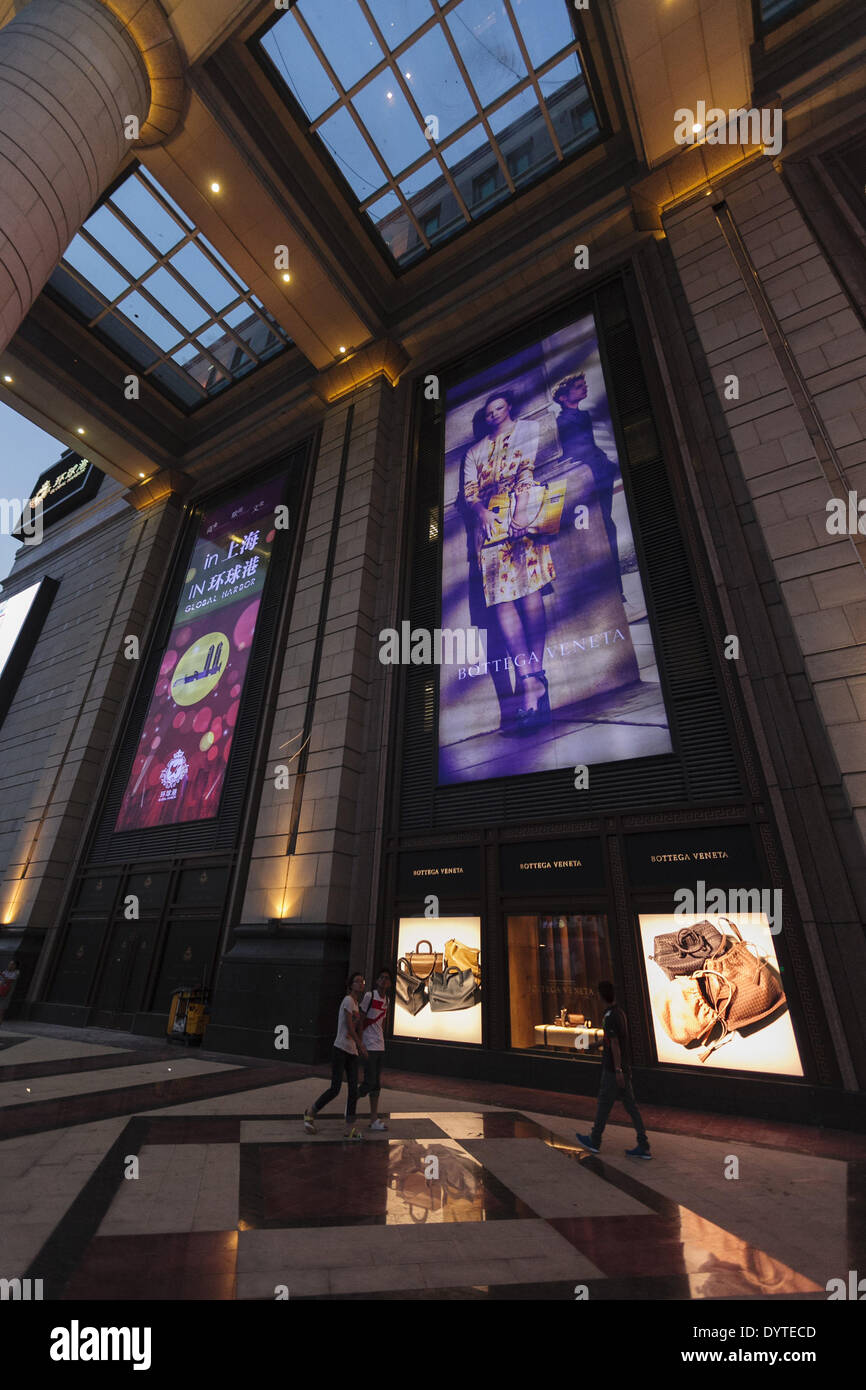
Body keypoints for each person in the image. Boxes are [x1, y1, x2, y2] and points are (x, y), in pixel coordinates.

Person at [464, 391, 555, 735]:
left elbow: (527, 470)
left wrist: (522, 510)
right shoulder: (474, 452)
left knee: (530, 592)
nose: (493, 415)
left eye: (498, 408)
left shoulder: (527, 430)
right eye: (488, 412)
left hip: (523, 513)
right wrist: (483, 512)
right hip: (489, 527)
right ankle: (527, 679)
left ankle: (537, 675)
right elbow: (470, 494)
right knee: (502, 600)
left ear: (508, 408)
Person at [553, 373, 625, 603]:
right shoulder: (562, 422)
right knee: (600, 529)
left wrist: (607, 464)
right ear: (564, 398)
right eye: (577, 386)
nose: (583, 388)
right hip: (585, 480)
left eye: (584, 384)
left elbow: (590, 446)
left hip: (600, 474)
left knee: (606, 526)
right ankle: (611, 590)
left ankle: (616, 590)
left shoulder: (581, 415)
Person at [577, 980, 651, 1158]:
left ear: (601, 996)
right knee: (631, 1107)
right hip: (623, 1067)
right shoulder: (620, 1013)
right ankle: (643, 1145)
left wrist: (617, 1070)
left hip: (613, 1070)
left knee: (604, 1104)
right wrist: (594, 1045)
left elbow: (615, 1043)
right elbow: (612, 1040)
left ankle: (594, 1140)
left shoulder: (609, 1017)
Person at [304, 972, 368, 1139]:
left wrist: (359, 1044)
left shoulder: (357, 1004)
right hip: (340, 1048)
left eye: (362, 981)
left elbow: (357, 1027)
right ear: (351, 984)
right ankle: (311, 1111)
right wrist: (361, 1045)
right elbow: (348, 1026)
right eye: (357, 981)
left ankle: (349, 1128)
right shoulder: (347, 1000)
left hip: (351, 1052)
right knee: (335, 1088)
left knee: (353, 1090)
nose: (361, 984)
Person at [357, 968, 392, 1131]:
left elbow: (381, 1023)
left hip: (379, 1045)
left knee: (376, 1083)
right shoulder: (370, 996)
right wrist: (360, 1043)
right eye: (381, 977)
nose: (384, 980)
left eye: (386, 978)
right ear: (377, 981)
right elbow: (361, 1020)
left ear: (390, 983)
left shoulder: (387, 1001)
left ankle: (373, 1118)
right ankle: (352, 1102)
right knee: (369, 1082)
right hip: (368, 1045)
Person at [0, 959, 20, 1025]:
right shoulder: (5, 971)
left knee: (2, 1008)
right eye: (9, 964)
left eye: (12, 964)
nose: (10, 965)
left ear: (15, 966)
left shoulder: (16, 972)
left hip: (7, 992)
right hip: (1, 989)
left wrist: (2, 976)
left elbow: (9, 981)